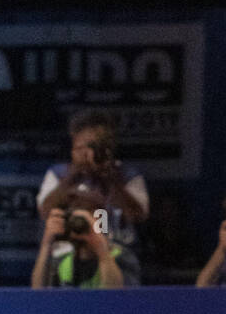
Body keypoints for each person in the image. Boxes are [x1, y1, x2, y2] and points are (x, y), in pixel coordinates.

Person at [37, 109, 148, 267]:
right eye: (80, 148)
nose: (87, 154)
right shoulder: (59, 174)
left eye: (94, 147)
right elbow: (45, 211)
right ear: (73, 147)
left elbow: (138, 215)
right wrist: (73, 175)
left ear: (109, 148)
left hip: (118, 256)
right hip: (67, 256)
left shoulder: (127, 175)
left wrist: (109, 177)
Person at [31, 191, 138, 289]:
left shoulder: (121, 256)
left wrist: (102, 250)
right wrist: (46, 244)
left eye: (91, 217)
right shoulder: (62, 260)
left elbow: (119, 299)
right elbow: (38, 295)